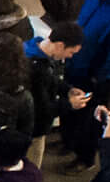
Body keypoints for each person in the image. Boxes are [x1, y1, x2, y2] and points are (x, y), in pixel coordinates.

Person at [24, 21, 86, 160]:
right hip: (32, 129)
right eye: (71, 52)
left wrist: (67, 90)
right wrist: (70, 104)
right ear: (59, 45)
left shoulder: (37, 50)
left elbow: (52, 80)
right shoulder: (36, 69)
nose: (70, 56)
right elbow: (41, 110)